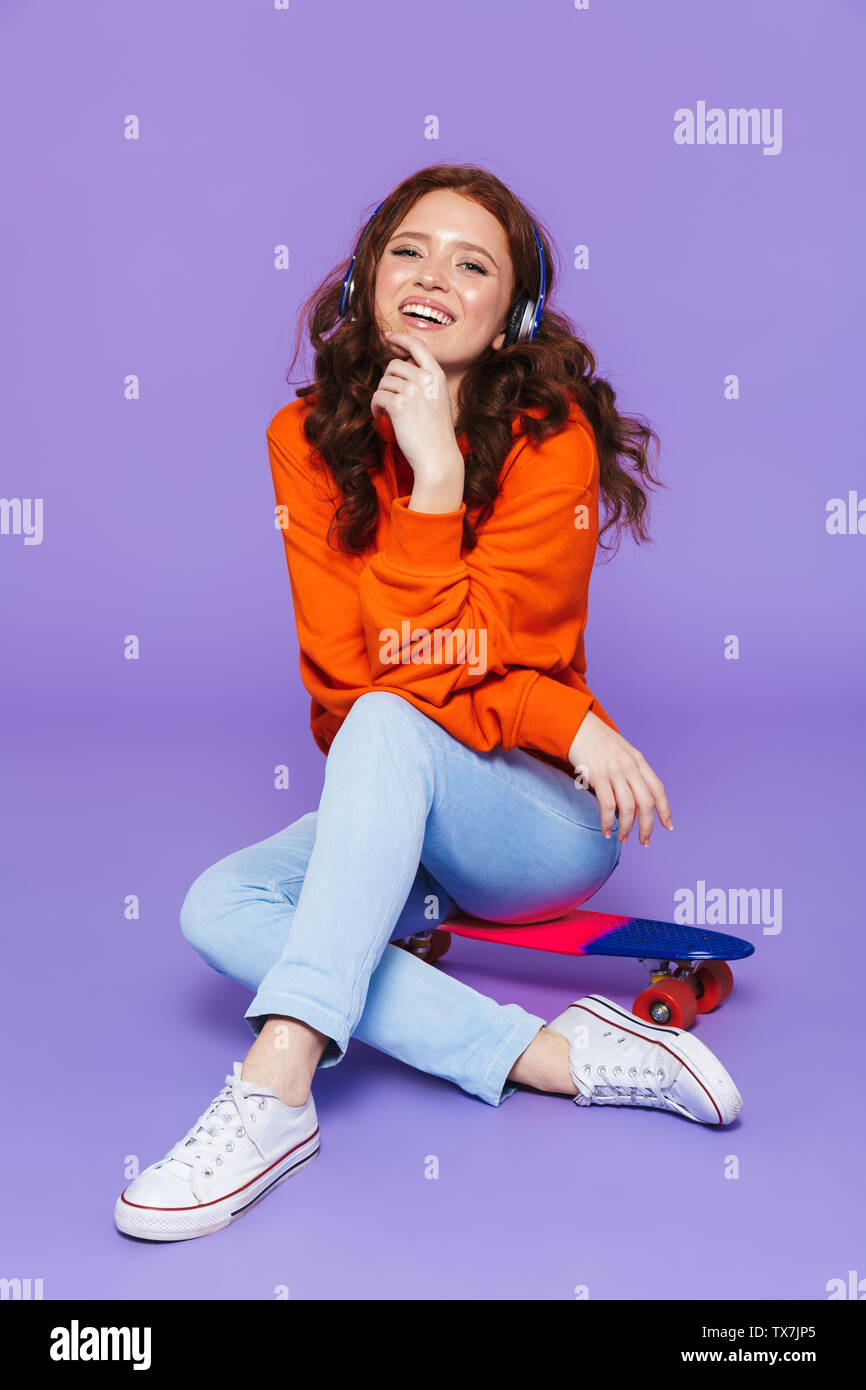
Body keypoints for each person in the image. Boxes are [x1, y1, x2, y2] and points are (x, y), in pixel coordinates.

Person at [115, 165, 742, 1243]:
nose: (432, 276)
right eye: (408, 250)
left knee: (389, 722)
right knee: (217, 906)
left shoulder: (552, 441)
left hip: (538, 822)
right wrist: (557, 711)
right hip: (407, 810)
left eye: (472, 263)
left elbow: (430, 674)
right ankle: (556, 1054)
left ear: (512, 319)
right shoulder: (301, 439)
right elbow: (343, 687)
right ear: (366, 279)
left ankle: (274, 1087)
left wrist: (439, 476)